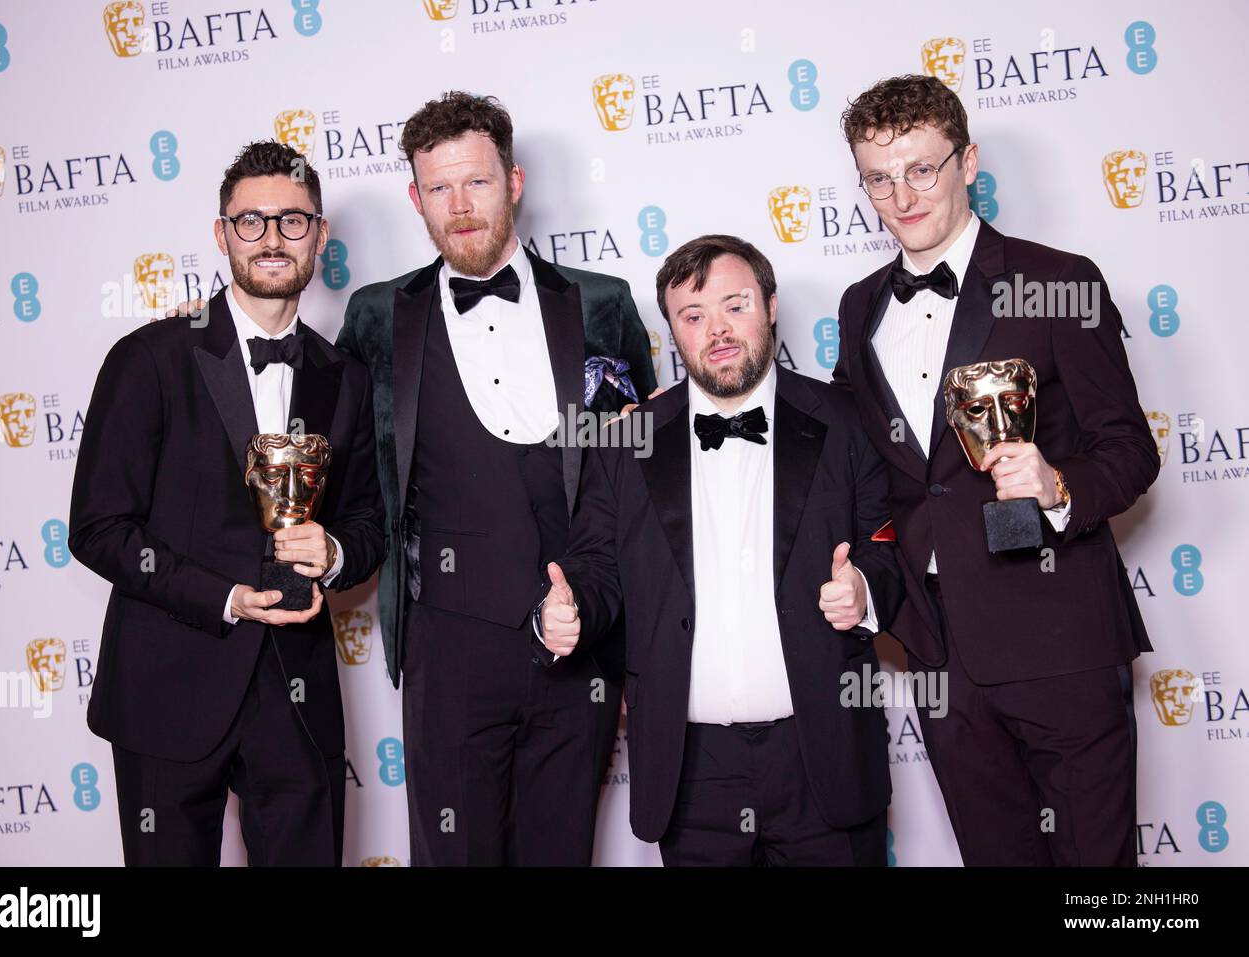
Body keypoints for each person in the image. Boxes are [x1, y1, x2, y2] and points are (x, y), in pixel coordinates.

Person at [833, 74, 1159, 865]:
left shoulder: (1057, 280)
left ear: (967, 161)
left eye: (921, 169)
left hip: (1061, 636)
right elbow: (852, 450)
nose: (901, 195)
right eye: (879, 177)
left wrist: (1057, 484)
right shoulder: (859, 304)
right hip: (941, 650)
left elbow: (1130, 449)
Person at [336, 92, 657, 865]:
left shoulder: (603, 304)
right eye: (439, 189)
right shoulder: (379, 315)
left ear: (513, 182)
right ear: (415, 198)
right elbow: (322, 429)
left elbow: (643, 471)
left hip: (579, 639)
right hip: (447, 647)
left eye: (476, 182)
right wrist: (205, 330)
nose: (460, 206)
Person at [70, 140, 387, 865]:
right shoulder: (147, 358)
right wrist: (225, 596)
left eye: (292, 221)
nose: (272, 239)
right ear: (221, 234)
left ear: (320, 235)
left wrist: (335, 552)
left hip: (299, 699)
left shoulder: (346, 377)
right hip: (165, 688)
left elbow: (368, 524)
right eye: (251, 221)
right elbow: (96, 528)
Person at [541, 234, 903, 866]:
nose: (718, 330)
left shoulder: (845, 420)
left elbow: (888, 544)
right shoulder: (627, 442)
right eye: (693, 315)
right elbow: (596, 567)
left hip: (825, 755)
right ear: (673, 334)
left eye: (735, 306)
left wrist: (865, 590)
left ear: (770, 306)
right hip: (689, 773)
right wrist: (568, 611)